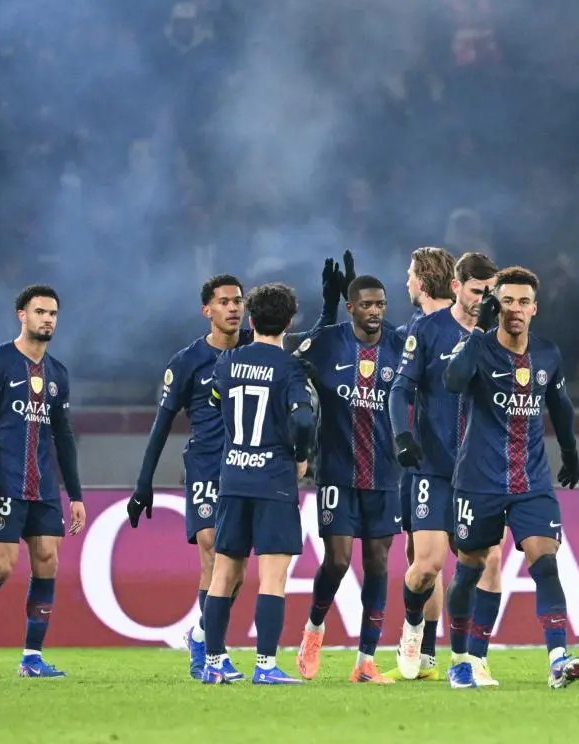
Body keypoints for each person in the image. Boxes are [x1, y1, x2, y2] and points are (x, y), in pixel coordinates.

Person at [126, 262, 342, 680]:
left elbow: (304, 342)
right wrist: (143, 483)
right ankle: (217, 653)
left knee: (234, 568)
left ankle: (203, 637)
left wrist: (328, 308)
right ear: (206, 310)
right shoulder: (188, 361)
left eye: (239, 301)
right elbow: (161, 424)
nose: (233, 308)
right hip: (209, 466)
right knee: (214, 553)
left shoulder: (242, 352)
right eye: (224, 302)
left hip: (234, 467)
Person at [443, 266, 579, 689]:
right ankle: (462, 659)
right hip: (478, 480)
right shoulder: (477, 347)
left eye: (524, 302)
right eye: (507, 301)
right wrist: (476, 331)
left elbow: (561, 407)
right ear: (496, 305)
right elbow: (453, 381)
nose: (515, 309)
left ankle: (558, 659)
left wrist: (570, 452)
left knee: (545, 560)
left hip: (531, 481)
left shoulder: (547, 354)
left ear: (535, 308)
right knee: (469, 569)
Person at [0, 285, 85, 678]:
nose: (48, 319)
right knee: (3, 566)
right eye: (40, 312)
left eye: (53, 313)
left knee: (47, 562)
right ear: (21, 315)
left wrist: (75, 494)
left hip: (44, 487)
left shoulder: (57, 373)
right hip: (4, 482)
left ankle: (32, 658)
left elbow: (64, 436)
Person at [389, 251, 506, 686]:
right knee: (427, 566)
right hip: (434, 467)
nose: (483, 300)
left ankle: (474, 659)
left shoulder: (502, 337)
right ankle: (413, 629)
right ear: (456, 287)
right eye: (477, 291)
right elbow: (399, 389)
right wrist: (403, 436)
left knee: (489, 563)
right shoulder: (428, 329)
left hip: (480, 472)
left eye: (491, 293)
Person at [201, 283, 315, 685]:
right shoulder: (289, 367)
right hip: (273, 480)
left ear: (251, 319)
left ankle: (214, 661)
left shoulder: (227, 361)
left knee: (223, 573)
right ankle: (265, 665)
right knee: (273, 577)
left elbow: (215, 402)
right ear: (289, 322)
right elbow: (303, 419)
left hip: (233, 477)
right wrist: (301, 455)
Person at [294, 275, 405, 684]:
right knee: (338, 560)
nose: (375, 311)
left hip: (384, 474)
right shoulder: (329, 341)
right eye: (367, 304)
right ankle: (314, 630)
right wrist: (324, 313)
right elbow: (289, 354)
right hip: (337, 472)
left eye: (381, 304)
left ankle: (365, 662)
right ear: (351, 307)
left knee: (378, 562)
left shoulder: (399, 345)